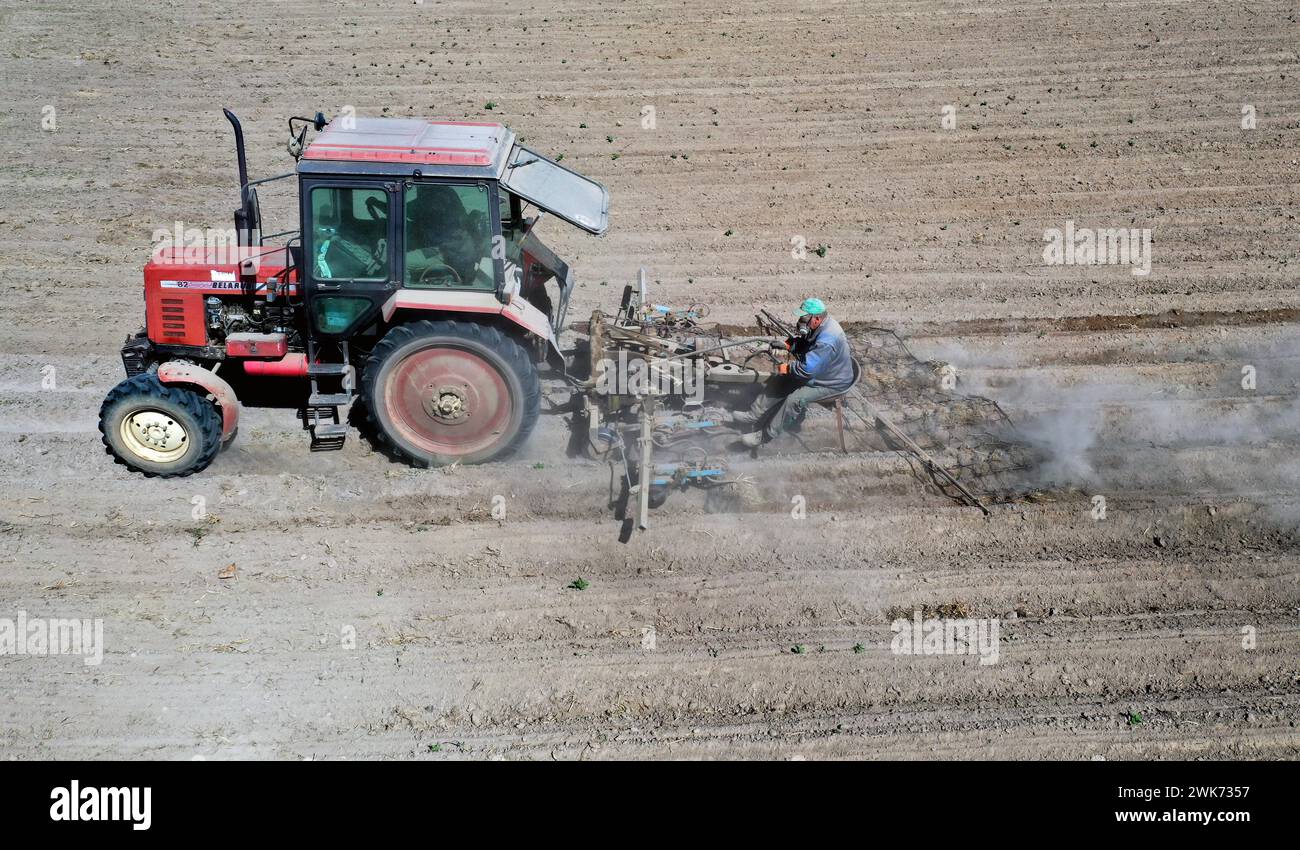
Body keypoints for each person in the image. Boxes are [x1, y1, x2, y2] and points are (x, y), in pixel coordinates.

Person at [736, 298, 856, 447]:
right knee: (779, 380)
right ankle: (753, 414)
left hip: (831, 382)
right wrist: (789, 345)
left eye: (803, 318)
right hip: (822, 372)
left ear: (816, 318)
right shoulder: (820, 325)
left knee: (794, 400)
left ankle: (765, 435)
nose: (800, 322)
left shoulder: (827, 340)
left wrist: (788, 368)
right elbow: (807, 343)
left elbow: (806, 370)